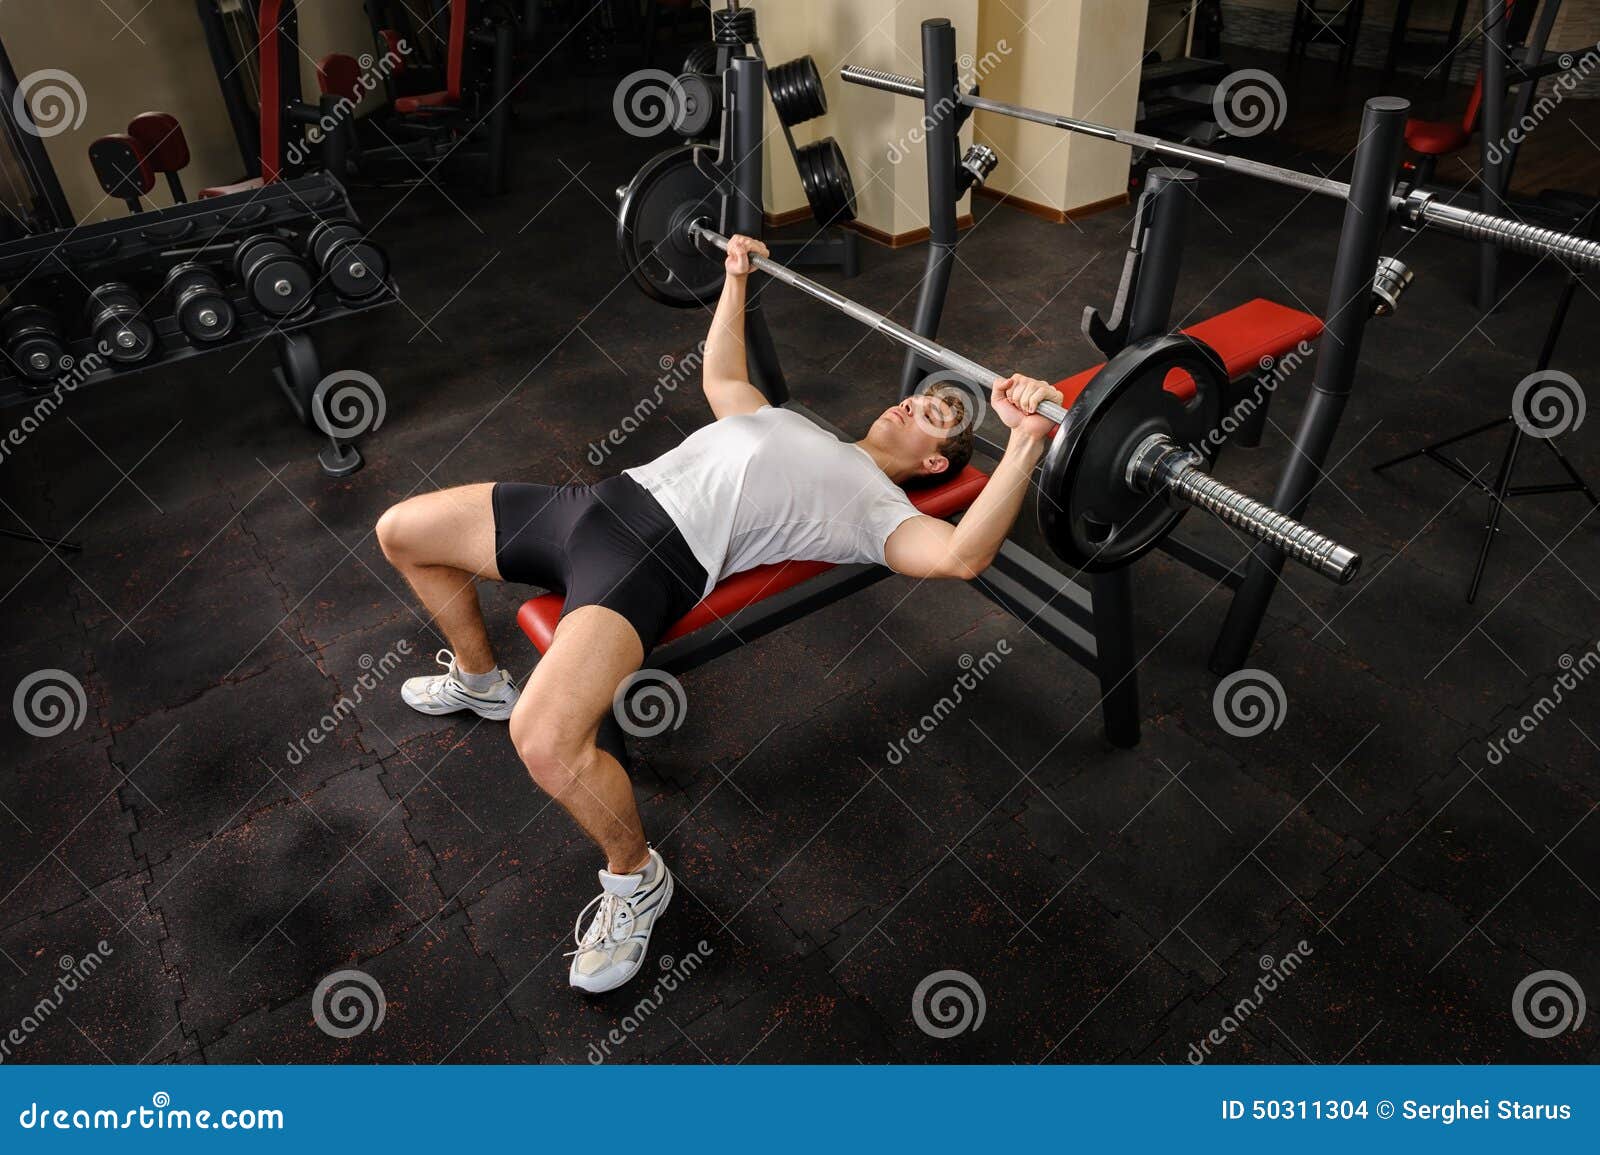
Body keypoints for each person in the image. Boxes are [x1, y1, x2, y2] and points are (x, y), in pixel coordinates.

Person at [375, 235, 1063, 994]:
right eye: (921, 394)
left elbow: (964, 553)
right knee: (401, 531)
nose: (912, 401)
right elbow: (723, 374)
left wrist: (1025, 441)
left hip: (647, 562)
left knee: (541, 740)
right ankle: (480, 678)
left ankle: (637, 879)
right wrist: (736, 277)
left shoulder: (876, 507)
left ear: (937, 463)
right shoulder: (792, 422)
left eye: (934, 414)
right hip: (590, 506)